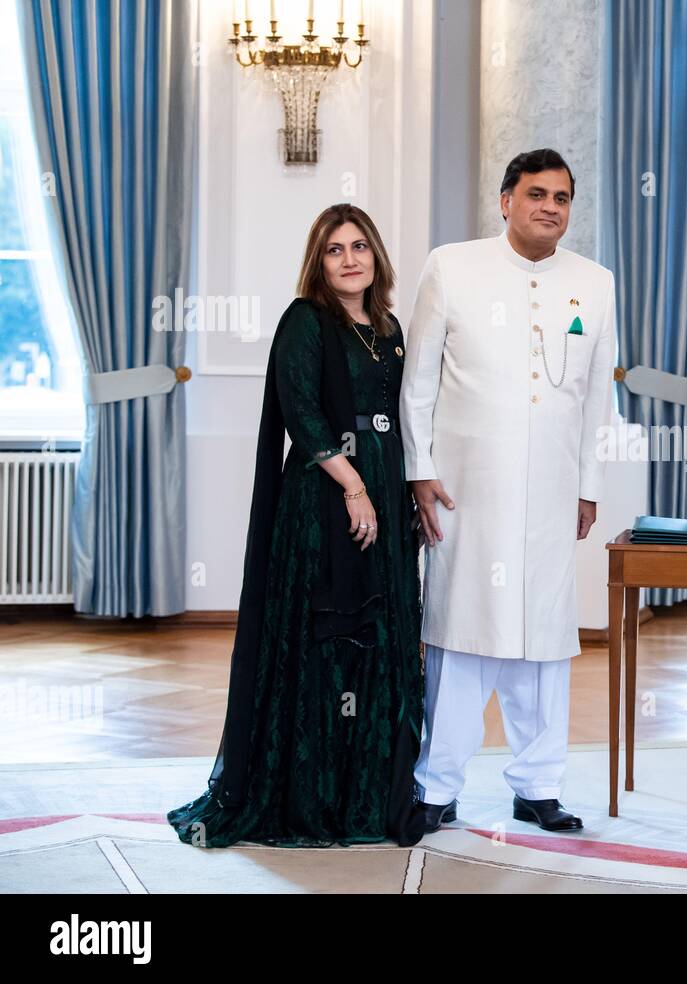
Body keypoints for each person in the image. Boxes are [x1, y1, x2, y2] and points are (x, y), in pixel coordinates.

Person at [168, 204, 425, 848]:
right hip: (324, 504)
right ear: (319, 260)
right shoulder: (305, 321)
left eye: (360, 246)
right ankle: (310, 797)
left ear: (377, 256)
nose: (349, 259)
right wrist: (355, 488)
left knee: (380, 641)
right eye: (335, 249)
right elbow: (304, 415)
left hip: (386, 498)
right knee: (327, 642)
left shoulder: (390, 327)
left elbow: (407, 411)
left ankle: (365, 796)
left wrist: (404, 490)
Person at [399, 148, 615, 834]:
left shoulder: (596, 282)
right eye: (537, 194)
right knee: (462, 637)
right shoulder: (452, 266)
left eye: (562, 197)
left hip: (553, 495)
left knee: (545, 640)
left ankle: (538, 786)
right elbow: (419, 381)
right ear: (505, 200)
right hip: (466, 492)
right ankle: (436, 787)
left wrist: (588, 485)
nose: (551, 207)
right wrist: (418, 469)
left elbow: (595, 399)